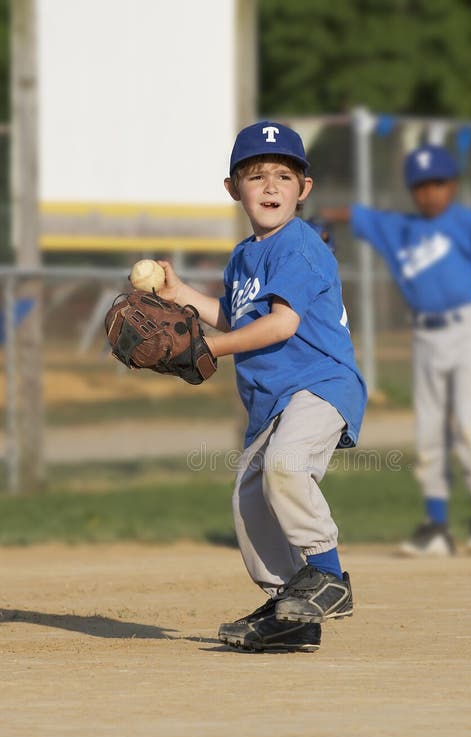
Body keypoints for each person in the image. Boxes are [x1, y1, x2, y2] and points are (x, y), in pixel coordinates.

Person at [158, 121, 367, 651]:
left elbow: (281, 325)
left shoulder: (300, 245)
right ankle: (290, 607)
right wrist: (181, 294)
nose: (270, 186)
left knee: (285, 466)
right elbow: (235, 318)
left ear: (305, 188)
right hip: (272, 399)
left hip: (320, 384)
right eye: (255, 176)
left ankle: (328, 577)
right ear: (233, 190)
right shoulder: (243, 256)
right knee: (251, 501)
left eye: (283, 175)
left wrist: (203, 350)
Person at [321, 144, 471, 556]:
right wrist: (313, 217)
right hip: (426, 337)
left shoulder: (465, 221)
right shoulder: (397, 228)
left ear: (453, 185)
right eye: (421, 186)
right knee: (428, 430)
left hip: (468, 329)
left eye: (439, 184)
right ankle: (436, 525)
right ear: (411, 190)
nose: (431, 193)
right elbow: (349, 214)